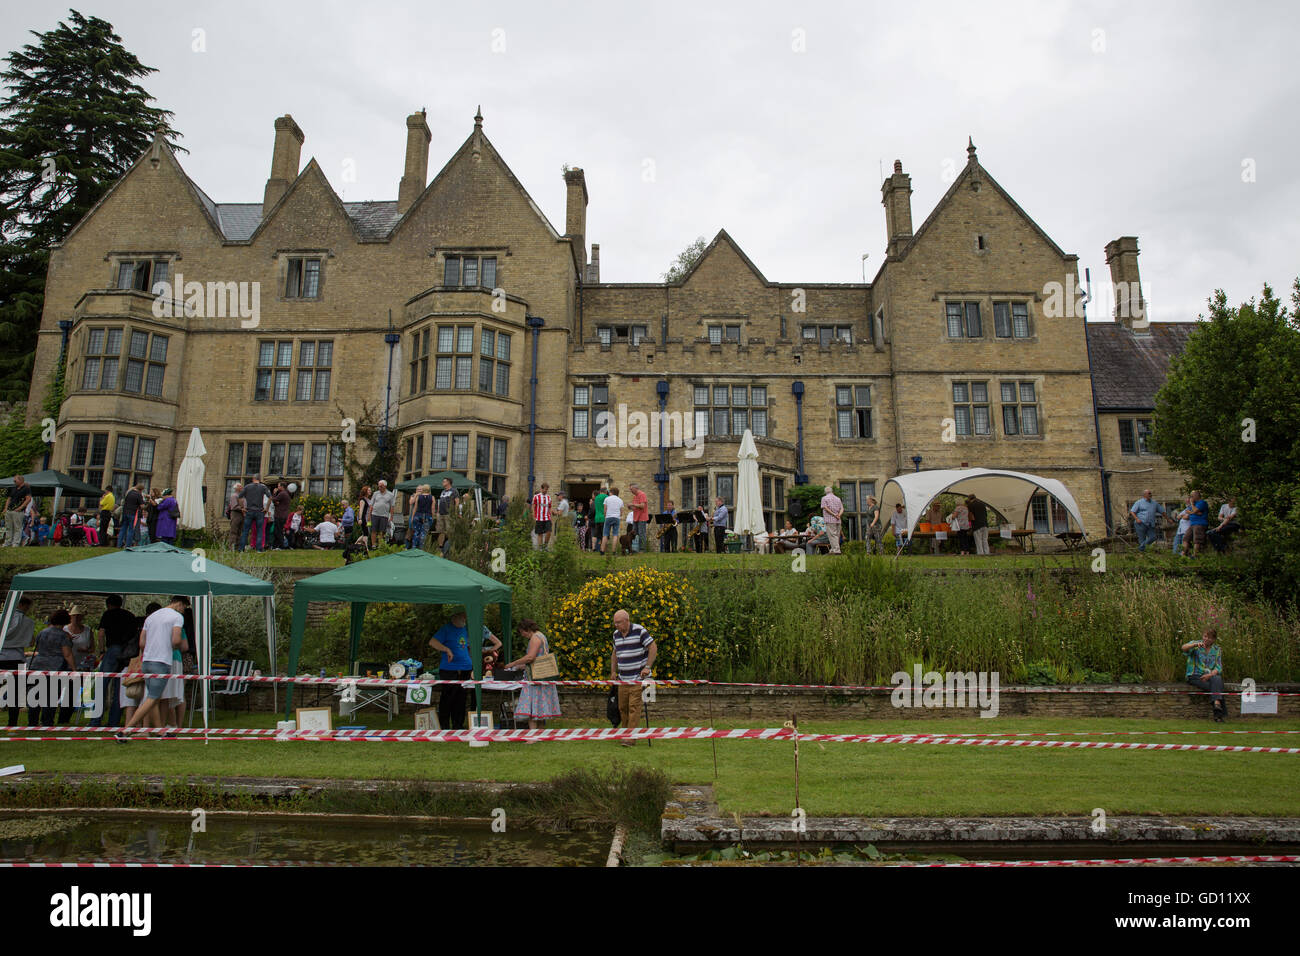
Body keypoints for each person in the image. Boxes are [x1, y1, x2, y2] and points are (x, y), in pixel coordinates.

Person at [118, 596, 189, 738]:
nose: (183, 611)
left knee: (154, 699)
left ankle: (159, 731)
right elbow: (176, 640)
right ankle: (127, 729)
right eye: (184, 608)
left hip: (147, 661)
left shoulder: (151, 617)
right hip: (161, 662)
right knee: (152, 698)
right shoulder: (177, 617)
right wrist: (174, 646)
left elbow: (142, 643)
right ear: (180, 604)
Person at [610, 609, 656, 747]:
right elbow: (615, 653)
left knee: (634, 708)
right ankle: (625, 734)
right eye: (615, 623)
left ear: (626, 621)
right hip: (623, 678)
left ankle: (631, 738)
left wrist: (647, 667)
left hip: (638, 678)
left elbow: (653, 647)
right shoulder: (616, 635)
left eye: (618, 622)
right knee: (622, 708)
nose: (616, 625)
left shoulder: (639, 631)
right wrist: (613, 671)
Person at [504, 619, 561, 732]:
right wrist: (521, 666)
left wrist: (514, 663)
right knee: (540, 708)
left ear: (527, 629)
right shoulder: (541, 636)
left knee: (532, 707)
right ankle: (540, 733)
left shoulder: (535, 638)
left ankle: (532, 736)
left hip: (534, 678)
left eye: (522, 632)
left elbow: (531, 657)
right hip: (542, 676)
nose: (522, 635)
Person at [91, 594, 137, 727]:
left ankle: (95, 720)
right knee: (119, 688)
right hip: (127, 652)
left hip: (113, 649)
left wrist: (101, 650)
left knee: (102, 685)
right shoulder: (129, 615)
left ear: (108, 604)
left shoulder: (108, 614)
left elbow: (101, 634)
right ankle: (114, 721)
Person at [29, 608, 76, 726]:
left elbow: (38, 648)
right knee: (51, 696)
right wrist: (74, 669)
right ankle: (47, 721)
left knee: (35, 695)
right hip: (55, 667)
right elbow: (67, 654)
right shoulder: (63, 636)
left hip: (37, 665)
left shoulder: (42, 632)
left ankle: (32, 722)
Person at [429, 609, 474, 730]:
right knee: (448, 697)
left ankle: (458, 725)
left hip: (465, 668)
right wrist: (446, 649)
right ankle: (444, 725)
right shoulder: (446, 629)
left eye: (465, 618)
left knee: (462, 698)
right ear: (456, 617)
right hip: (449, 669)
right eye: (463, 617)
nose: (465, 620)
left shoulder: (466, 629)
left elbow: (469, 647)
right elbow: (432, 642)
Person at [1, 597, 35, 725]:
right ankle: (12, 724)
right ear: (22, 605)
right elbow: (31, 642)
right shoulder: (29, 622)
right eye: (27, 607)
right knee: (16, 693)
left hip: (2, 656)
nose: (28, 609)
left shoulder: (3, 618)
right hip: (18, 658)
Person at [1182, 626, 1226, 722]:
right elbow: (1183, 648)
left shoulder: (1217, 649)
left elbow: (1218, 667)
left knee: (1216, 679)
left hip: (1209, 676)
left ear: (1213, 639)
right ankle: (1218, 710)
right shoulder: (1196, 645)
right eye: (1205, 636)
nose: (1206, 639)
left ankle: (1217, 707)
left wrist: (1209, 675)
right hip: (1195, 675)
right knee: (1218, 685)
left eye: (1209, 637)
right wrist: (1194, 645)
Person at [1129, 489, 1165, 553]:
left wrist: (1168, 519)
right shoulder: (1139, 502)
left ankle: (1140, 548)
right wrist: (1137, 519)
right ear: (1144, 495)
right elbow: (1132, 511)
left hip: (1151, 524)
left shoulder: (1154, 503)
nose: (1151, 495)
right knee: (1142, 539)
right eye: (1149, 493)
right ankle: (1143, 554)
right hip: (1141, 523)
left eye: (1151, 493)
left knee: (1153, 537)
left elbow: (1162, 511)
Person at [239, 475, 270, 552]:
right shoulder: (263, 487)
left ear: (253, 479)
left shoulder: (247, 487)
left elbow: (240, 497)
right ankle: (259, 548)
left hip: (249, 511)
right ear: (259, 479)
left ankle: (241, 548)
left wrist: (242, 508)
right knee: (260, 531)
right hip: (259, 511)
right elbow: (270, 497)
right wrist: (266, 508)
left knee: (245, 530)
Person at [65, 604, 94, 670]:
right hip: (67, 665)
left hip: (83, 665)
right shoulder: (64, 630)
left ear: (82, 617)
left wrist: (86, 650)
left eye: (78, 616)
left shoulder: (88, 630)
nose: (76, 618)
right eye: (74, 615)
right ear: (70, 617)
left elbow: (92, 649)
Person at [4, 476, 31, 548]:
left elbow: (28, 499)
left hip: (18, 511)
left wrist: (20, 507)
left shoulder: (26, 489)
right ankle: (7, 542)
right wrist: (6, 508)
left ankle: (15, 543)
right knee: (8, 527)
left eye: (15, 481)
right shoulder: (13, 488)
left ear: (21, 480)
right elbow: (9, 498)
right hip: (9, 510)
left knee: (17, 528)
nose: (14, 482)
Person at [1184, 490, 1210, 558]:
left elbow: (1196, 511)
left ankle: (1195, 555)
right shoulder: (1194, 504)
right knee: (1186, 538)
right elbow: (1188, 513)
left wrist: (1192, 506)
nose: (1191, 497)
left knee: (1197, 540)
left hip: (1200, 523)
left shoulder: (1202, 503)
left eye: (1192, 496)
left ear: (1197, 495)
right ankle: (1184, 554)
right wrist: (1193, 512)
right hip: (1192, 524)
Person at [369, 480, 395, 546]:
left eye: (381, 486)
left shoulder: (390, 495)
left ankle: (380, 545)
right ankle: (373, 545)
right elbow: (371, 504)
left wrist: (391, 517)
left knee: (382, 531)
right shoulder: (375, 493)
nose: (379, 488)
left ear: (385, 486)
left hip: (384, 515)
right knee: (373, 530)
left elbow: (392, 506)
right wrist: (369, 515)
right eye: (379, 486)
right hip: (375, 514)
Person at [819, 485, 844, 555]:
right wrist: (839, 515)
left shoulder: (824, 498)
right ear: (832, 491)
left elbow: (825, 508)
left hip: (830, 520)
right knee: (837, 535)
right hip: (838, 520)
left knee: (832, 535)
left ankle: (836, 550)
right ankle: (833, 549)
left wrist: (834, 514)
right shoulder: (838, 498)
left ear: (825, 492)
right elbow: (842, 508)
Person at [409, 484, 434, 550]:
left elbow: (415, 507)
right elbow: (433, 508)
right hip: (427, 516)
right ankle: (421, 548)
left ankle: (414, 547)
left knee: (416, 532)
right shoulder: (432, 497)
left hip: (418, 515)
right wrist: (432, 517)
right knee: (424, 533)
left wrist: (412, 517)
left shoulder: (418, 497)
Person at [436, 477, 456, 551]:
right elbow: (440, 502)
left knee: (450, 531)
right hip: (441, 514)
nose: (442, 482)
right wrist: (438, 512)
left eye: (444, 481)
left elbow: (457, 502)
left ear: (448, 482)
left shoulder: (454, 491)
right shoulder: (442, 492)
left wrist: (455, 513)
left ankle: (450, 547)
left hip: (449, 514)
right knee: (440, 531)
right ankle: (440, 547)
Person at [602, 487, 624, 555]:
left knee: (605, 534)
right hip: (616, 518)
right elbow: (621, 512)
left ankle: (602, 551)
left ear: (611, 492)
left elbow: (605, 510)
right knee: (615, 535)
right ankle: (614, 551)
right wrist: (618, 515)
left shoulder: (607, 499)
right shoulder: (620, 500)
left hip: (608, 517)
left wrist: (605, 516)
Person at [531, 482, 553, 550]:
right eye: (545, 489)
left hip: (547, 518)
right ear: (541, 489)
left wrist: (551, 517)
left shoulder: (549, 497)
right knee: (540, 534)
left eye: (547, 489)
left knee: (549, 532)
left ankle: (545, 545)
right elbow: (533, 506)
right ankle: (541, 548)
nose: (546, 491)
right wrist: (533, 516)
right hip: (539, 518)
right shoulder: (536, 497)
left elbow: (549, 507)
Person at [629, 484, 649, 553]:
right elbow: (635, 508)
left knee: (641, 533)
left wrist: (633, 504)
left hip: (642, 517)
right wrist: (630, 507)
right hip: (636, 517)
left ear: (635, 488)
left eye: (631, 489)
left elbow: (642, 506)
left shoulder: (642, 494)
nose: (630, 490)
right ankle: (635, 548)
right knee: (634, 533)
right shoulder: (635, 497)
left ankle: (642, 549)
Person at [272, 482, 292, 550]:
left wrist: (274, 493)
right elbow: (279, 502)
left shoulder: (282, 493)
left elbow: (274, 499)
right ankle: (276, 545)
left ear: (282, 487)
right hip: (284, 514)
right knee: (278, 530)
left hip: (280, 515)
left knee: (278, 531)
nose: (277, 488)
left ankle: (281, 545)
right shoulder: (287, 493)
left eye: (278, 486)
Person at [226, 482, 245, 549]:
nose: (241, 487)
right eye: (240, 486)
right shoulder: (234, 496)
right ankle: (231, 547)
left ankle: (237, 546)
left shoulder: (242, 496)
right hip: (235, 514)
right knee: (234, 531)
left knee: (240, 531)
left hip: (242, 515)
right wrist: (242, 509)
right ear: (236, 488)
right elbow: (234, 506)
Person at [593, 486, 608, 553]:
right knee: (604, 534)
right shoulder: (606, 496)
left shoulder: (596, 498)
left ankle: (593, 548)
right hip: (603, 518)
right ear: (605, 491)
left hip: (597, 518)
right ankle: (603, 549)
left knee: (595, 534)